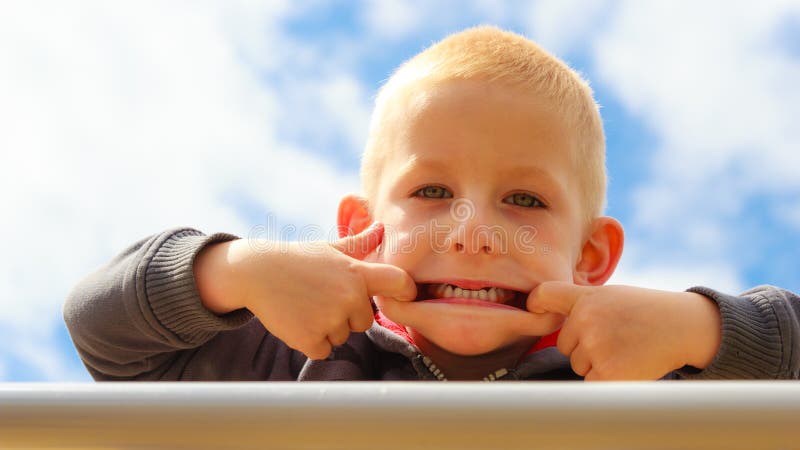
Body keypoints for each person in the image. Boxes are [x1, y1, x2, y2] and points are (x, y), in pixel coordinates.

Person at [64, 26, 799, 381]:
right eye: (433, 191)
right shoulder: (287, 350)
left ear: (592, 256)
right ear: (361, 231)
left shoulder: (644, 371)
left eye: (523, 199)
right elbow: (98, 329)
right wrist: (234, 272)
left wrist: (706, 329)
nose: (474, 233)